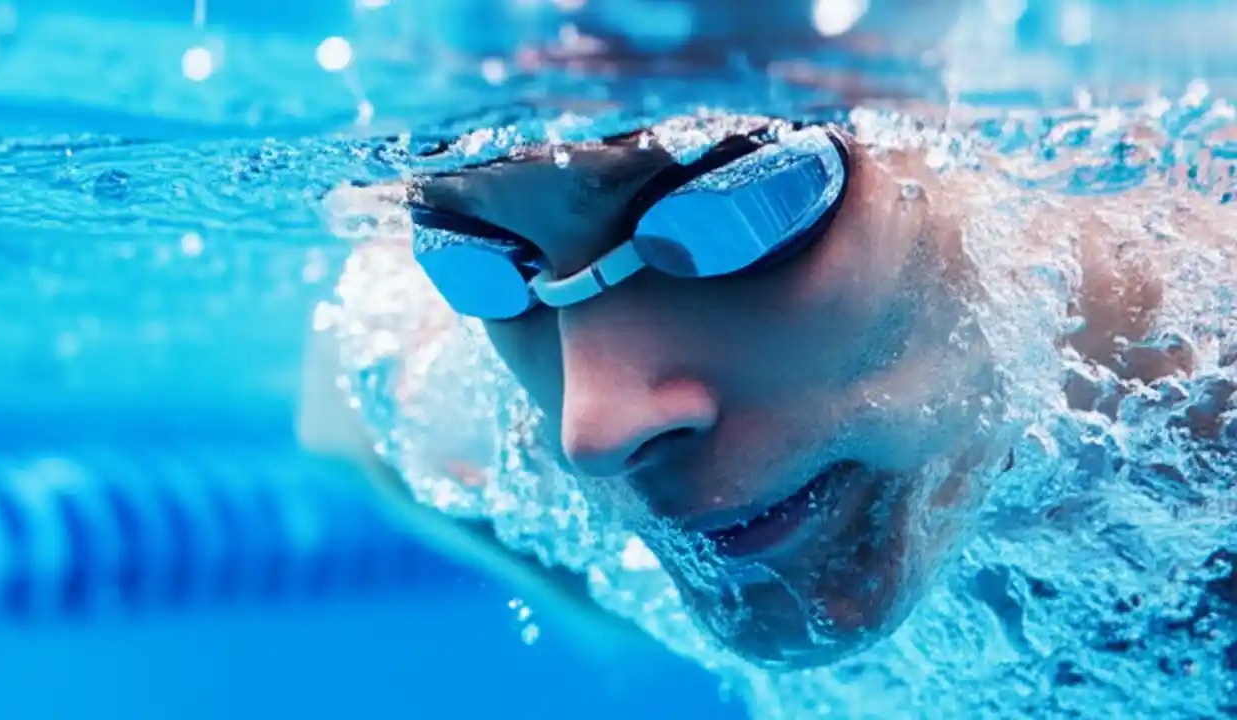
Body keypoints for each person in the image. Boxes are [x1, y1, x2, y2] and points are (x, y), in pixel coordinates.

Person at [300, 113, 1230, 668]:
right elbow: (349, 418)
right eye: (475, 262)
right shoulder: (456, 411)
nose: (592, 427)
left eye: (735, 207)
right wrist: (630, 617)